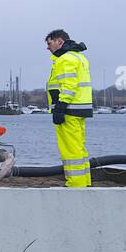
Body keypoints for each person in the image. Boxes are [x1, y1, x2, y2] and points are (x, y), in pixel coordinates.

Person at [45, 29, 93, 187]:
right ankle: (84, 181)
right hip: (80, 109)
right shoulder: (79, 57)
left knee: (70, 149)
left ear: (60, 41)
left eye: (49, 43)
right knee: (79, 147)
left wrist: (60, 107)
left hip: (69, 110)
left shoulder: (65, 59)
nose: (48, 47)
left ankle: (76, 184)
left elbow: (68, 86)